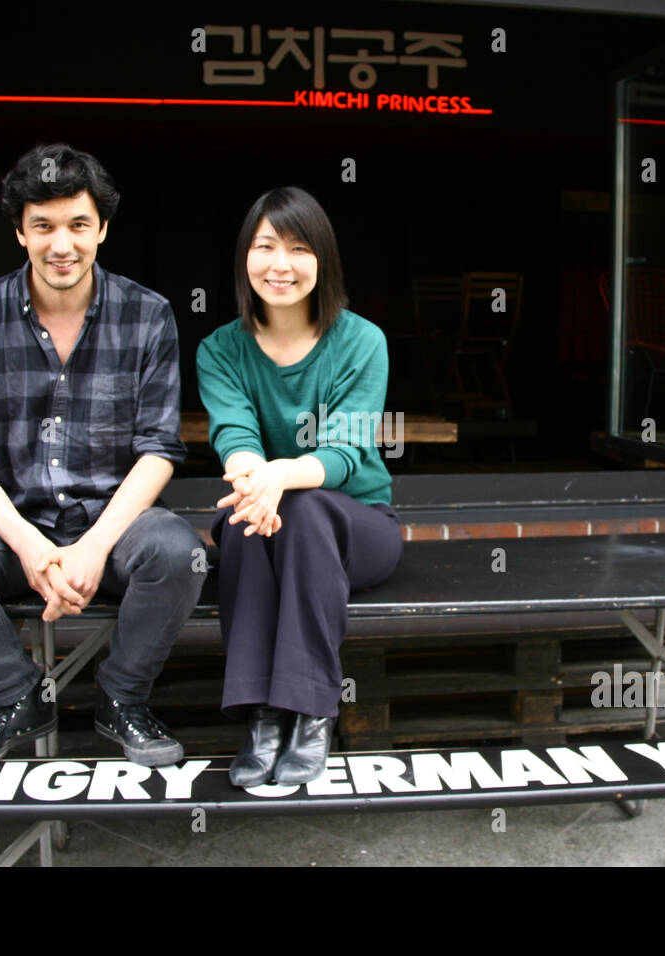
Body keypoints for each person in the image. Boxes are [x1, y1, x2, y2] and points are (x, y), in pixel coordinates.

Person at [0, 143, 203, 771]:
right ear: (20, 232)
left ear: (103, 229)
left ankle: (122, 699)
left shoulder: (149, 316)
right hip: (10, 533)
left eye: (77, 225)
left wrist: (90, 549)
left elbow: (159, 449)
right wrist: (34, 549)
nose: (61, 244)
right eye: (43, 226)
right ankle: (18, 695)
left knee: (179, 550)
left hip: (114, 532)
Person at [197, 186, 402, 787]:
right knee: (242, 521)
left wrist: (275, 479)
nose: (280, 264)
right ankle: (262, 719)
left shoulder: (362, 342)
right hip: (264, 521)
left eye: (298, 248)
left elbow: (342, 452)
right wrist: (253, 481)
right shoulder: (220, 349)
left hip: (358, 527)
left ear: (324, 260)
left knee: (307, 506)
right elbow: (233, 433)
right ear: (244, 257)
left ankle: (311, 711)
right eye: (265, 247)